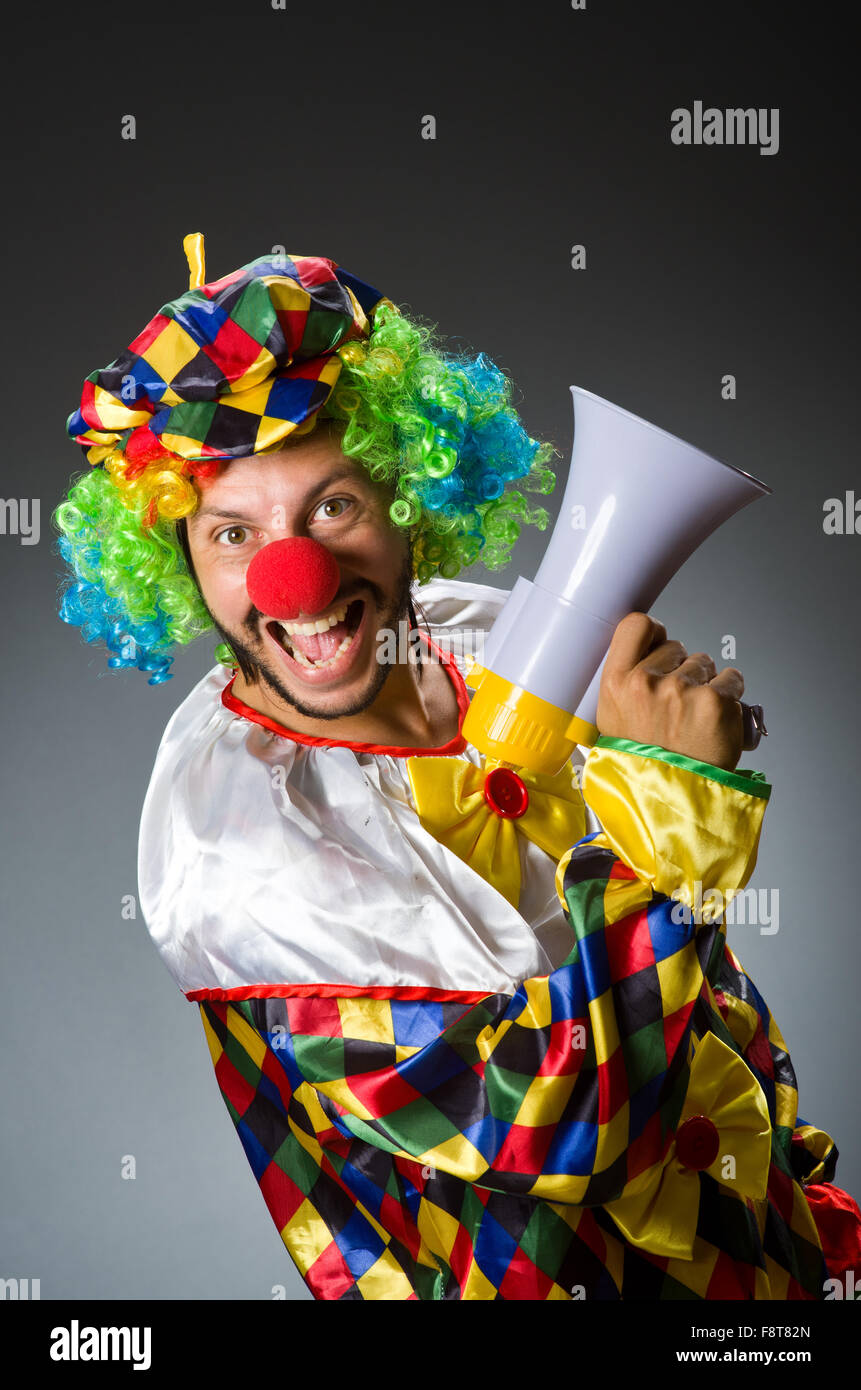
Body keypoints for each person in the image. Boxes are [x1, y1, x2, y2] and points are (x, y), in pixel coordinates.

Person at [54, 234, 861, 1301]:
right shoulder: (233, 846)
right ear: (176, 564)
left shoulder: (482, 639)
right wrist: (676, 807)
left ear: (408, 505)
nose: (294, 579)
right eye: (231, 534)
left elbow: (693, 986)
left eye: (332, 506)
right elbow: (557, 1130)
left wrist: (792, 1173)